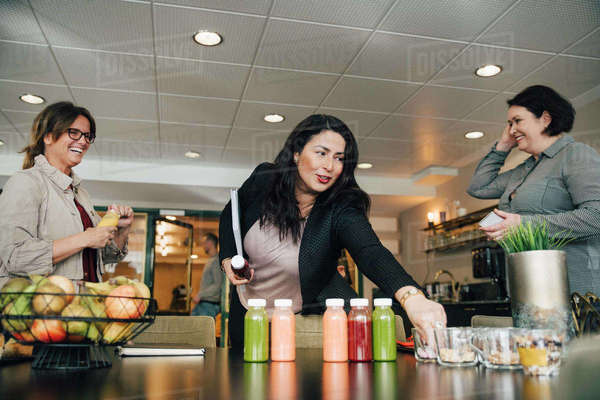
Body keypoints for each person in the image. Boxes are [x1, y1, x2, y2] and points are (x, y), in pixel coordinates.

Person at [219, 114, 446, 350]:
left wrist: (413, 298)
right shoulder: (263, 180)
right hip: (249, 308)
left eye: (339, 158)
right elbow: (230, 213)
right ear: (297, 153)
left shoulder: (341, 207)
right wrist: (227, 258)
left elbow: (370, 250)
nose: (329, 166)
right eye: (321, 153)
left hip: (301, 313)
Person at [467, 85, 600, 295]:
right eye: (509, 124)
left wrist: (522, 225)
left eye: (518, 121)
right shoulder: (524, 169)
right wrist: (503, 145)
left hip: (575, 292)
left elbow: (596, 217)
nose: (511, 130)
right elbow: (478, 187)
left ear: (545, 119)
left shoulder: (576, 155)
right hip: (527, 287)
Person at [0, 101, 133, 287]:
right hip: (42, 309)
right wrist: (84, 238)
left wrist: (121, 231)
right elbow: (14, 257)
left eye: (87, 136)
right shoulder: (26, 183)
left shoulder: (81, 194)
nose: (83, 141)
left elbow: (102, 257)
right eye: (74, 133)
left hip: (82, 307)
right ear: (47, 136)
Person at [191, 233, 224, 318]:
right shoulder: (211, 260)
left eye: (204, 243)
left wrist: (200, 295)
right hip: (205, 304)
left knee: (202, 330)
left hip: (209, 306)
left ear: (210, 243)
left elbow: (218, 284)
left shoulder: (216, 261)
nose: (202, 246)